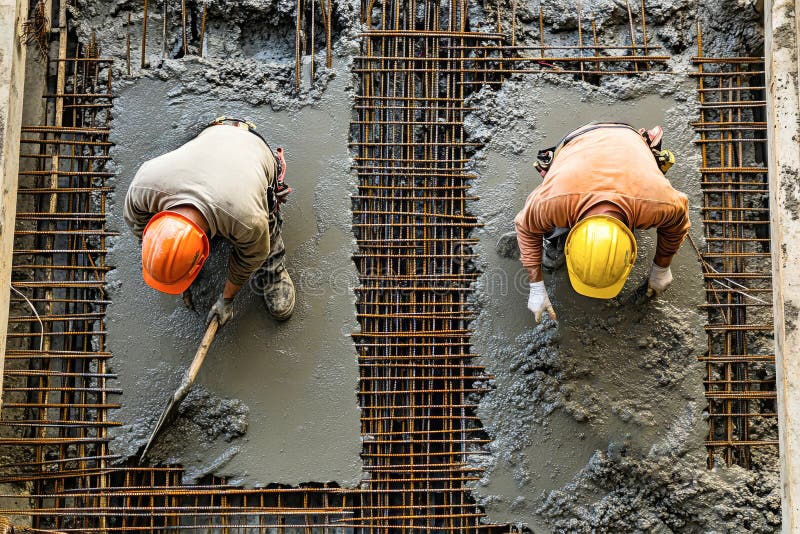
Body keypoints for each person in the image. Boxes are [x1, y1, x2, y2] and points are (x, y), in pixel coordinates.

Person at [123, 116, 295, 327]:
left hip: (250, 150)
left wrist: (227, 300)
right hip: (209, 138)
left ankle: (273, 274)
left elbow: (248, 260)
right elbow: (141, 229)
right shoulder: (142, 189)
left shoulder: (246, 218)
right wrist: (174, 262)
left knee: (264, 235)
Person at [513, 122, 690, 322]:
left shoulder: (657, 204)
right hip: (578, 142)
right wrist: (536, 285)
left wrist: (662, 267)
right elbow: (525, 227)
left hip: (629, 142)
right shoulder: (552, 202)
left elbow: (679, 222)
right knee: (552, 234)